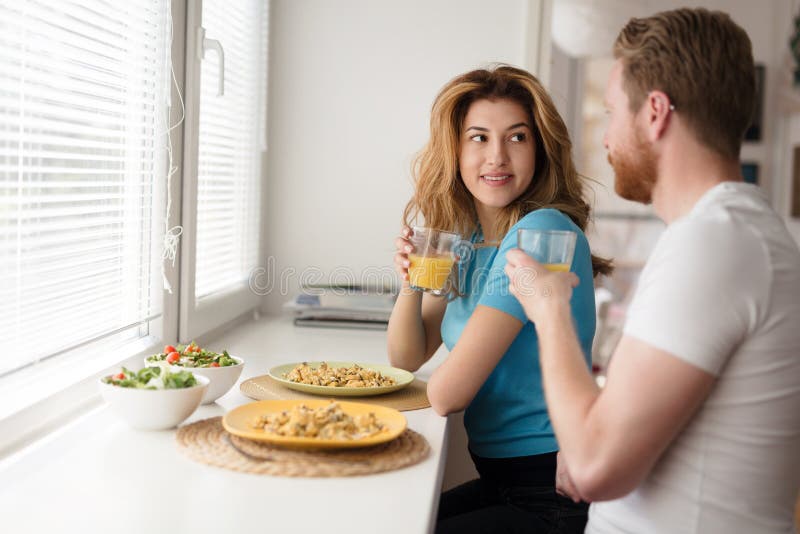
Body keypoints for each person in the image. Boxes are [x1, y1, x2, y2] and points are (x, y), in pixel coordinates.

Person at [505, 8, 800, 534]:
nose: (606, 137)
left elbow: (596, 468)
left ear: (655, 113)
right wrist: (587, 432)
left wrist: (547, 308)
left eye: (612, 110)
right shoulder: (726, 233)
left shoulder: (716, 242)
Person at [386, 64, 613, 534]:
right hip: (504, 482)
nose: (497, 157)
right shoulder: (466, 238)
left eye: (516, 137)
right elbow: (407, 356)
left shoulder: (540, 233)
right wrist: (410, 281)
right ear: (455, 149)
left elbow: (446, 395)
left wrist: (445, 372)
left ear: (539, 148)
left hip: (550, 494)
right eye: (478, 137)